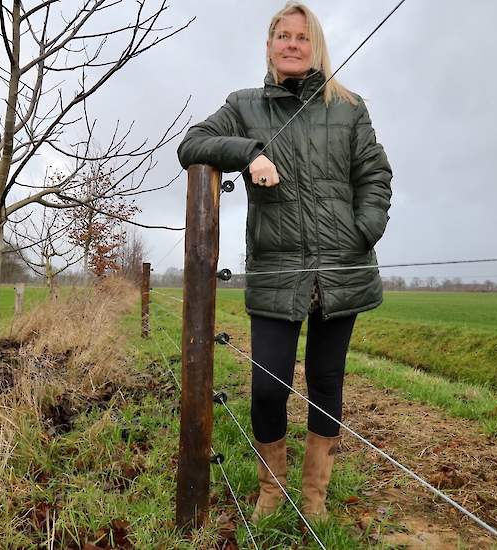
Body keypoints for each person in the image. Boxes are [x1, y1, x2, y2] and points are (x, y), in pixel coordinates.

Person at [177, 1, 392, 522]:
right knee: (269, 386)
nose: (293, 44)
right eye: (283, 36)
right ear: (269, 45)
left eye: (302, 36)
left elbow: (375, 176)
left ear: (315, 46)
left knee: (326, 382)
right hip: (276, 271)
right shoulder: (244, 104)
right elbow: (193, 144)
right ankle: (271, 491)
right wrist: (250, 152)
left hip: (342, 270)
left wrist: (363, 231)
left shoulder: (349, 106)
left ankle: (314, 496)